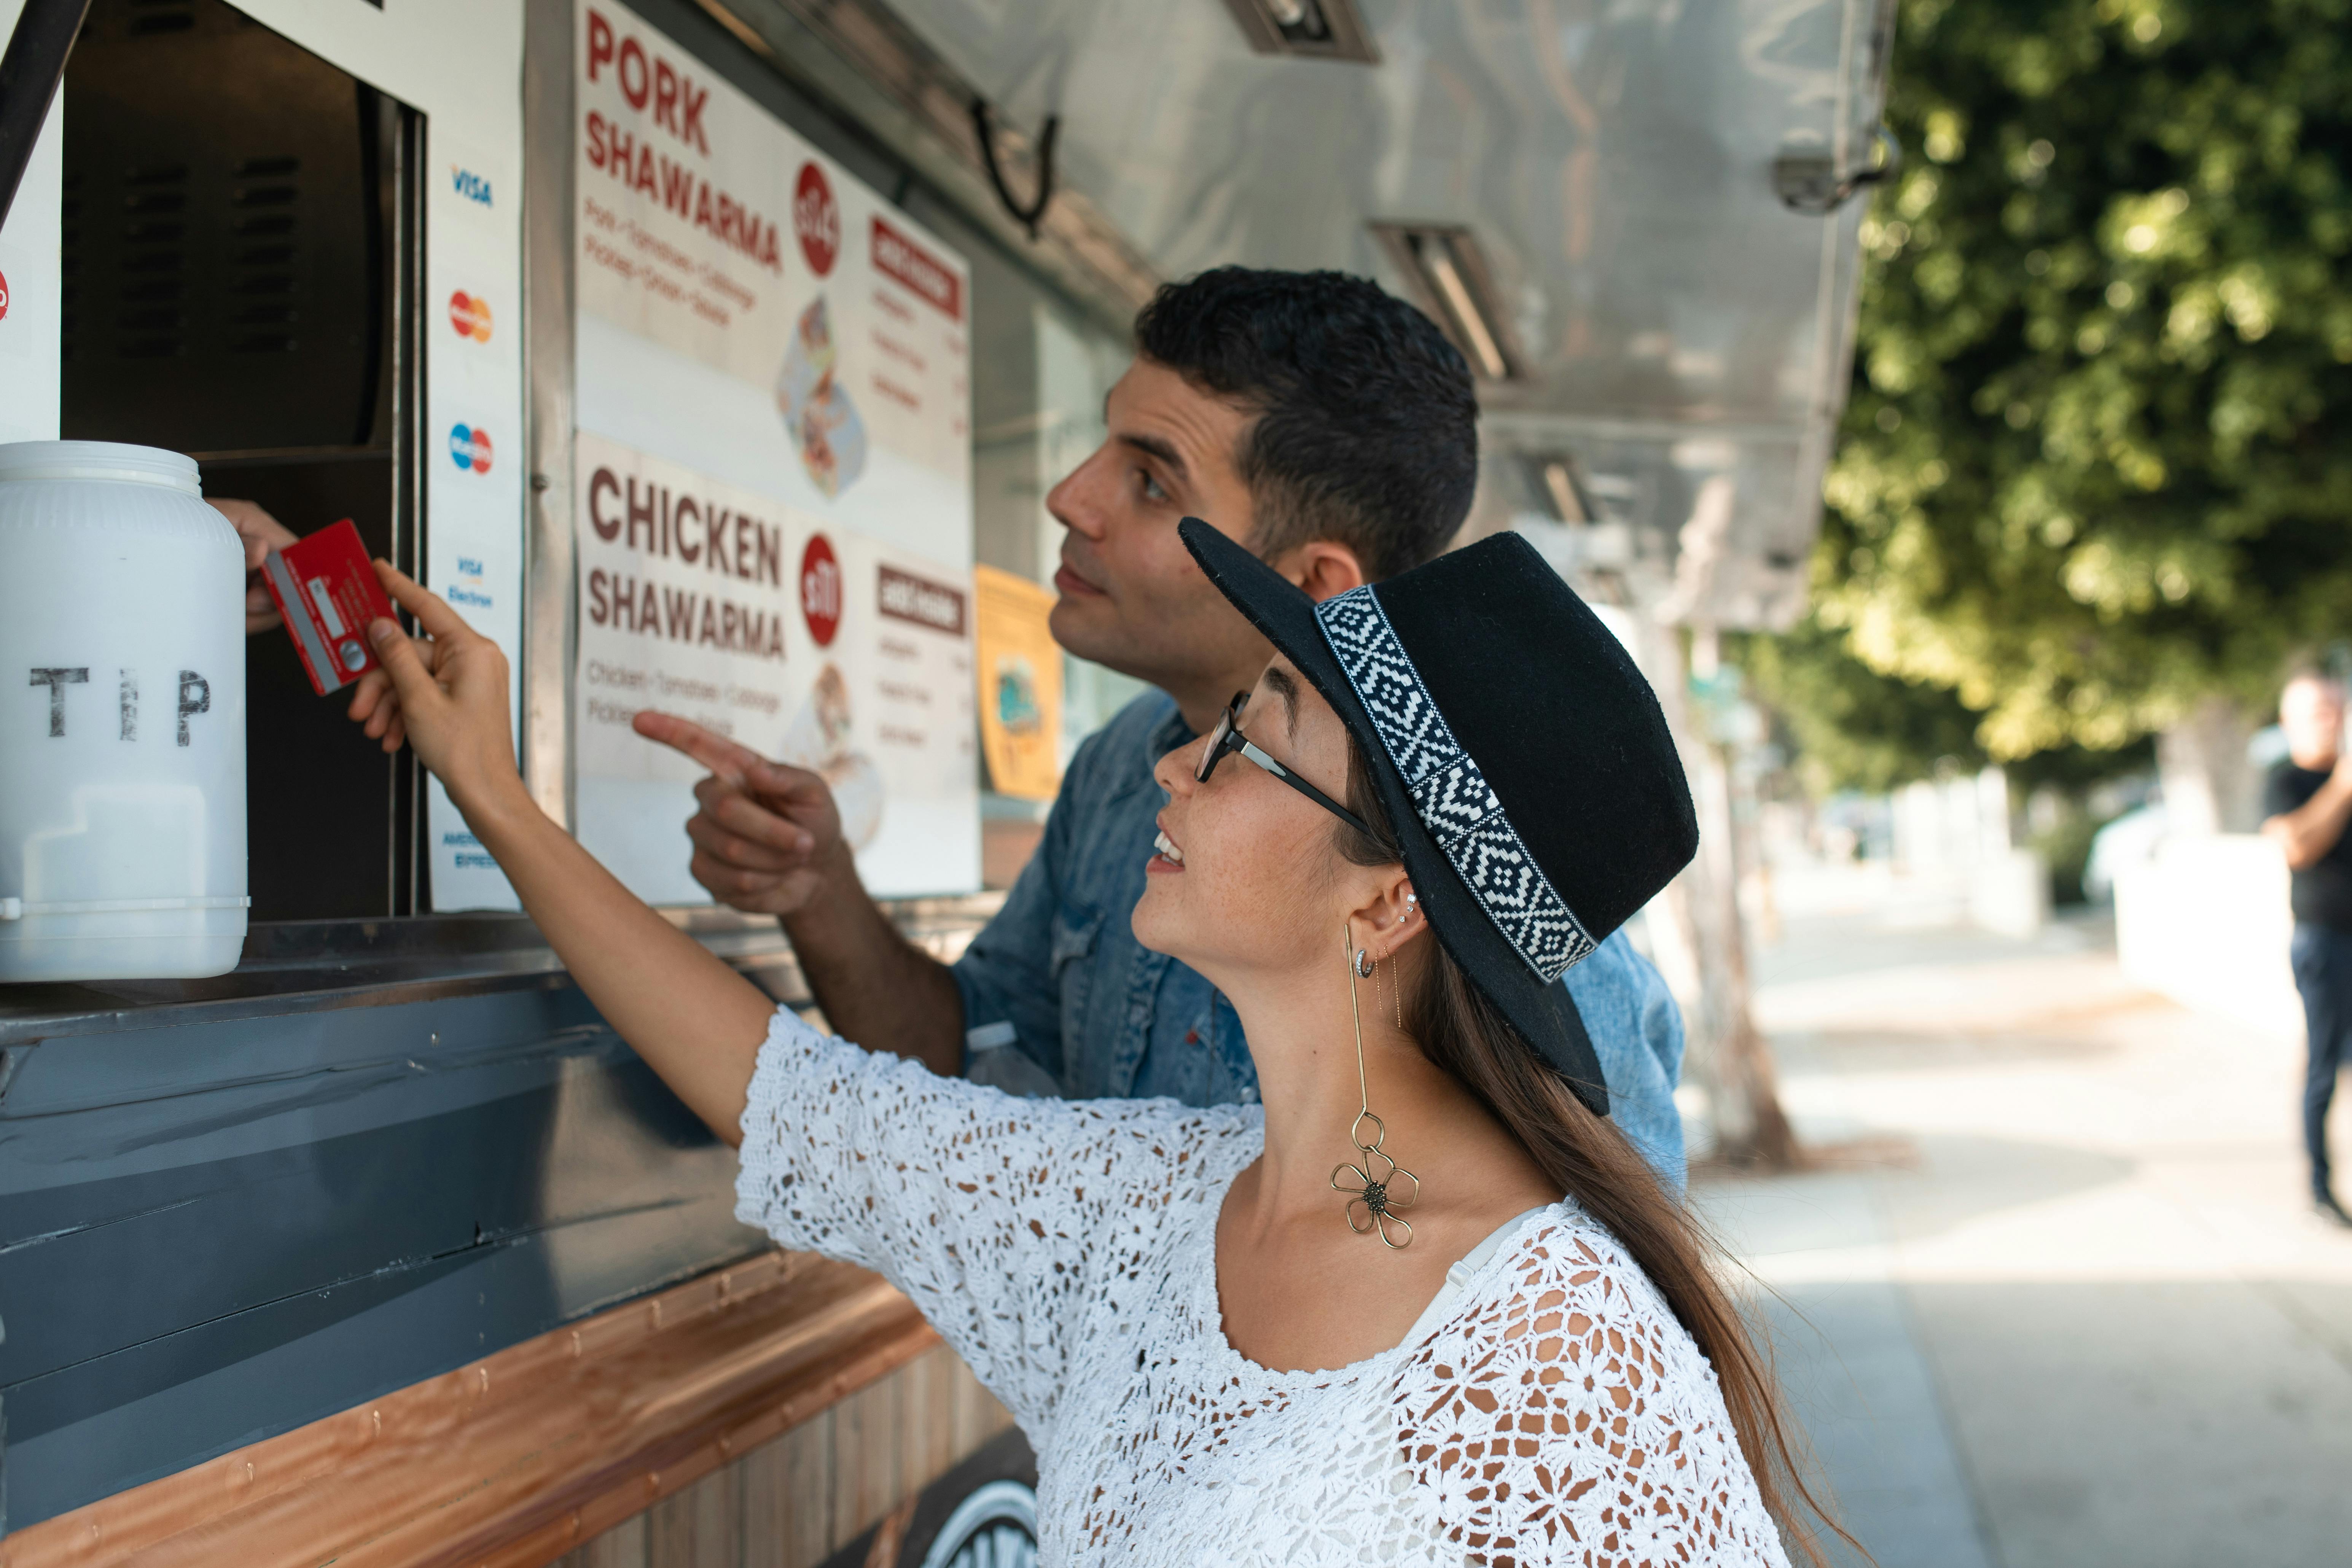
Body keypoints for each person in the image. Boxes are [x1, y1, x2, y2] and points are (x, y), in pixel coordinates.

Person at [349, 513, 1847, 1563]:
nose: (1179, 765)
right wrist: (492, 788)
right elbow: (785, 1094)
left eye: (1255, 740)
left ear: (1390, 900)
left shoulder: (1561, 1355)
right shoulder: (1159, 1203)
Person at [634, 268, 1692, 1184]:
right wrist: (819, 890)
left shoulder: (1513, 945)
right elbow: (970, 1057)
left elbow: (1591, 1328)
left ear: (1313, 583)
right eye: (1101, 448)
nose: (1066, 496)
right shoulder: (1114, 770)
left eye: (1149, 479)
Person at [2260, 671, 2352, 1227]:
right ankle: (2319, 1189)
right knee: (2323, 1069)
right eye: (2317, 710)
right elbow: (2295, 846)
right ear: (2288, 721)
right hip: (2323, 943)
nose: (2331, 717)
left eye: (2335, 707)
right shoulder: (2286, 780)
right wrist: (2341, 787)